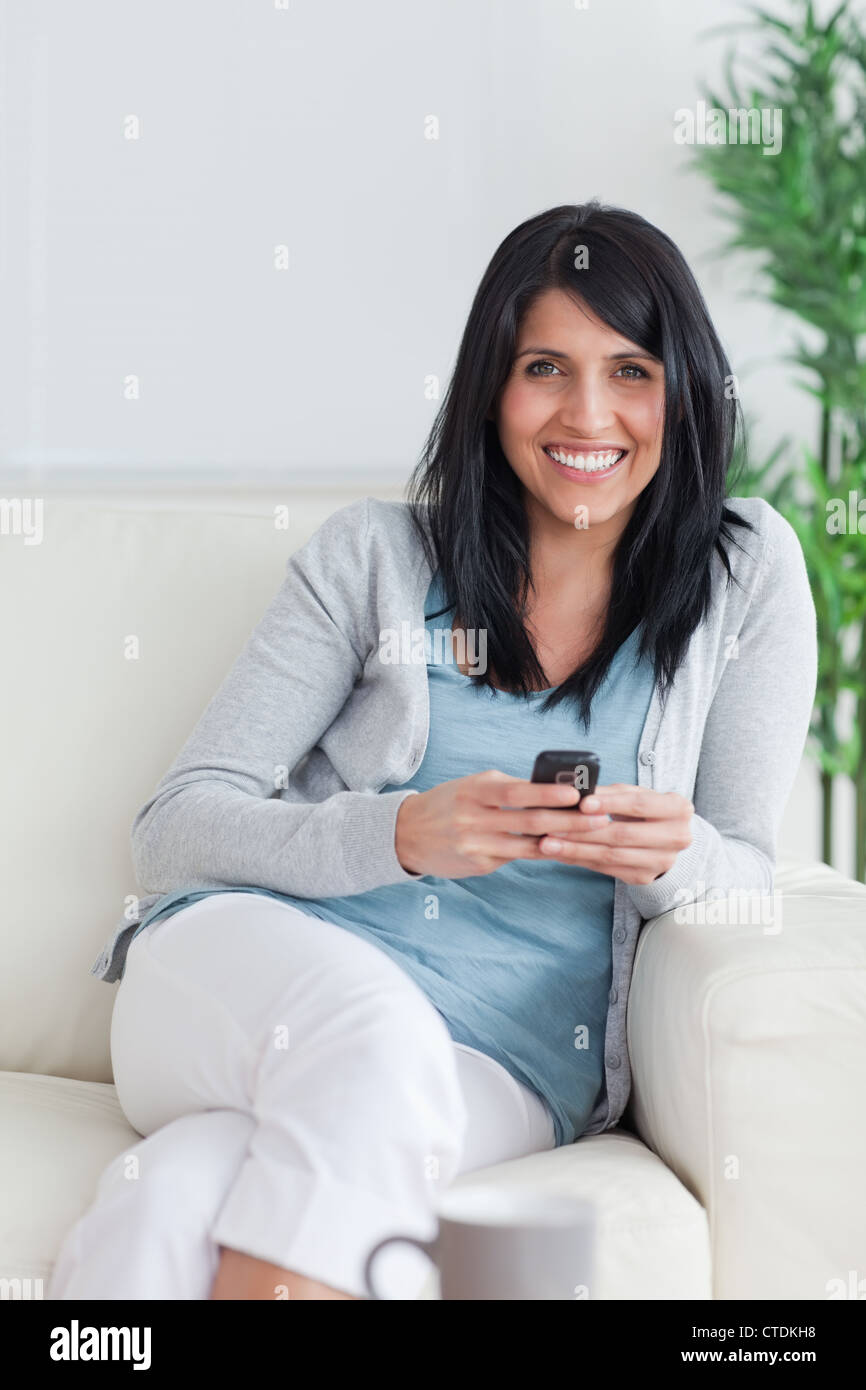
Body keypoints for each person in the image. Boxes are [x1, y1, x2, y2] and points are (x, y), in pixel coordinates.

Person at [49, 199, 817, 1301]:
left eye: (631, 369)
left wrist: (672, 852)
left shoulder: (743, 573)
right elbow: (172, 832)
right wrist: (398, 833)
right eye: (543, 367)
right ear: (489, 391)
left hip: (496, 1062)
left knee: (171, 1196)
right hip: (241, 977)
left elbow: (746, 871)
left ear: (683, 388)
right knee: (370, 1043)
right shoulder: (373, 556)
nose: (587, 411)